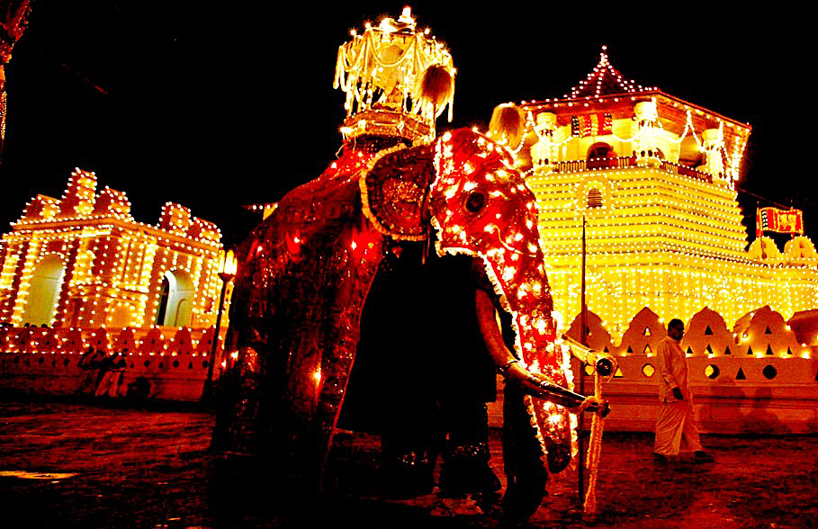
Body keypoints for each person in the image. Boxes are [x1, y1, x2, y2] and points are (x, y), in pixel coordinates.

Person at [654, 318, 714, 463]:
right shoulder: (664, 345)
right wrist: (674, 387)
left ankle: (697, 450)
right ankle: (661, 450)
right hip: (672, 394)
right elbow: (664, 370)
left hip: (684, 392)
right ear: (671, 330)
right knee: (667, 424)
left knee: (690, 423)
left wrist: (683, 389)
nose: (681, 333)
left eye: (683, 331)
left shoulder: (677, 346)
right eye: (679, 330)